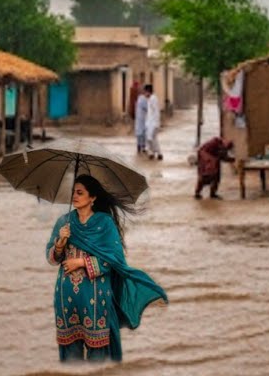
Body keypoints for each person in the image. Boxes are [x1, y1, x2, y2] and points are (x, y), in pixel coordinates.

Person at [45, 174, 167, 362]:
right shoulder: (64, 223)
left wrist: (81, 262)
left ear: (92, 198)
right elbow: (52, 259)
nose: (74, 196)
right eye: (73, 192)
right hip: (66, 299)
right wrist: (60, 243)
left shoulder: (104, 223)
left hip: (96, 297)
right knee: (71, 359)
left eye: (80, 192)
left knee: (99, 357)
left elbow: (114, 260)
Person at [194, 134, 235, 199]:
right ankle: (198, 193)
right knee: (205, 177)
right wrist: (233, 160)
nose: (227, 149)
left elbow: (223, 157)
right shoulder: (217, 143)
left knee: (215, 177)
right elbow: (223, 157)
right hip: (206, 160)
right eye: (227, 148)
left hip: (212, 160)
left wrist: (232, 160)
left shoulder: (220, 144)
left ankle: (212, 194)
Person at [143, 84, 162, 160]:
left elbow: (156, 112)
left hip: (153, 123)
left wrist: (155, 123)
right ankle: (159, 153)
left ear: (148, 91)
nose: (144, 94)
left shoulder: (153, 99)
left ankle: (151, 153)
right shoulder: (150, 99)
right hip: (151, 123)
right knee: (154, 139)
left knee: (149, 138)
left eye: (145, 92)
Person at [133, 85, 148, 155]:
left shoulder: (139, 98)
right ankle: (143, 147)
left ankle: (139, 147)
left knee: (139, 132)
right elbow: (147, 108)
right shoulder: (142, 98)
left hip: (139, 118)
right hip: (142, 118)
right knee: (143, 133)